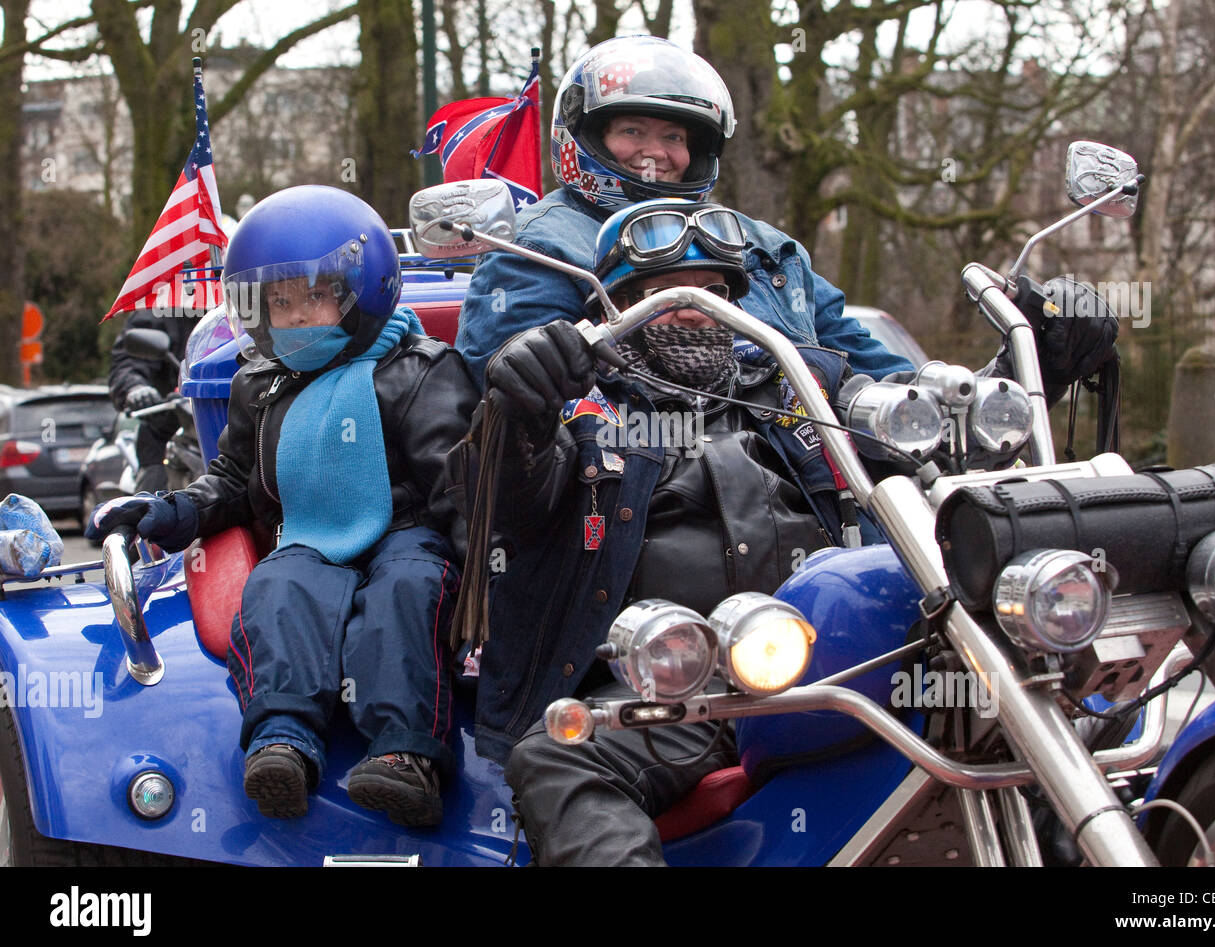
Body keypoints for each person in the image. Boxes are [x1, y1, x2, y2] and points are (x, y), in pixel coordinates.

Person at [457, 198, 913, 865]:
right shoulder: (583, 410)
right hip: (676, 694)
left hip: (848, 654)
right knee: (559, 758)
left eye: (712, 291)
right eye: (666, 292)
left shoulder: (801, 387)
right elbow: (505, 506)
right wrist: (518, 412)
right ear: (618, 306)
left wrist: (1008, 377)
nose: (696, 307)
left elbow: (920, 429)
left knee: (1009, 674)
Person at [88, 185, 480, 827]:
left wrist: (492, 584)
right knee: (275, 588)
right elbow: (234, 479)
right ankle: (282, 741)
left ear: (366, 290)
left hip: (408, 531)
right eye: (279, 301)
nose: (296, 316)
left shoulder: (423, 370)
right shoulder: (258, 383)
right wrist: (169, 513)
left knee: (407, 589)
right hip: (304, 538)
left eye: (317, 295)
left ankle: (407, 756)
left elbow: (456, 486)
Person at [454, 34, 905, 388]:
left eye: (674, 137)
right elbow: (507, 394)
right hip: (645, 481)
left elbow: (862, 358)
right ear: (585, 135)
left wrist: (937, 388)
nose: (655, 153)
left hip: (807, 479)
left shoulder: (765, 246)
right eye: (632, 130)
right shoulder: (538, 247)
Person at [107, 308, 201, 492]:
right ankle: (150, 511)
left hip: (233, 419)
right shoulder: (161, 308)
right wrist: (135, 388)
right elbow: (128, 363)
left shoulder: (240, 307)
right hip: (171, 425)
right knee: (153, 505)